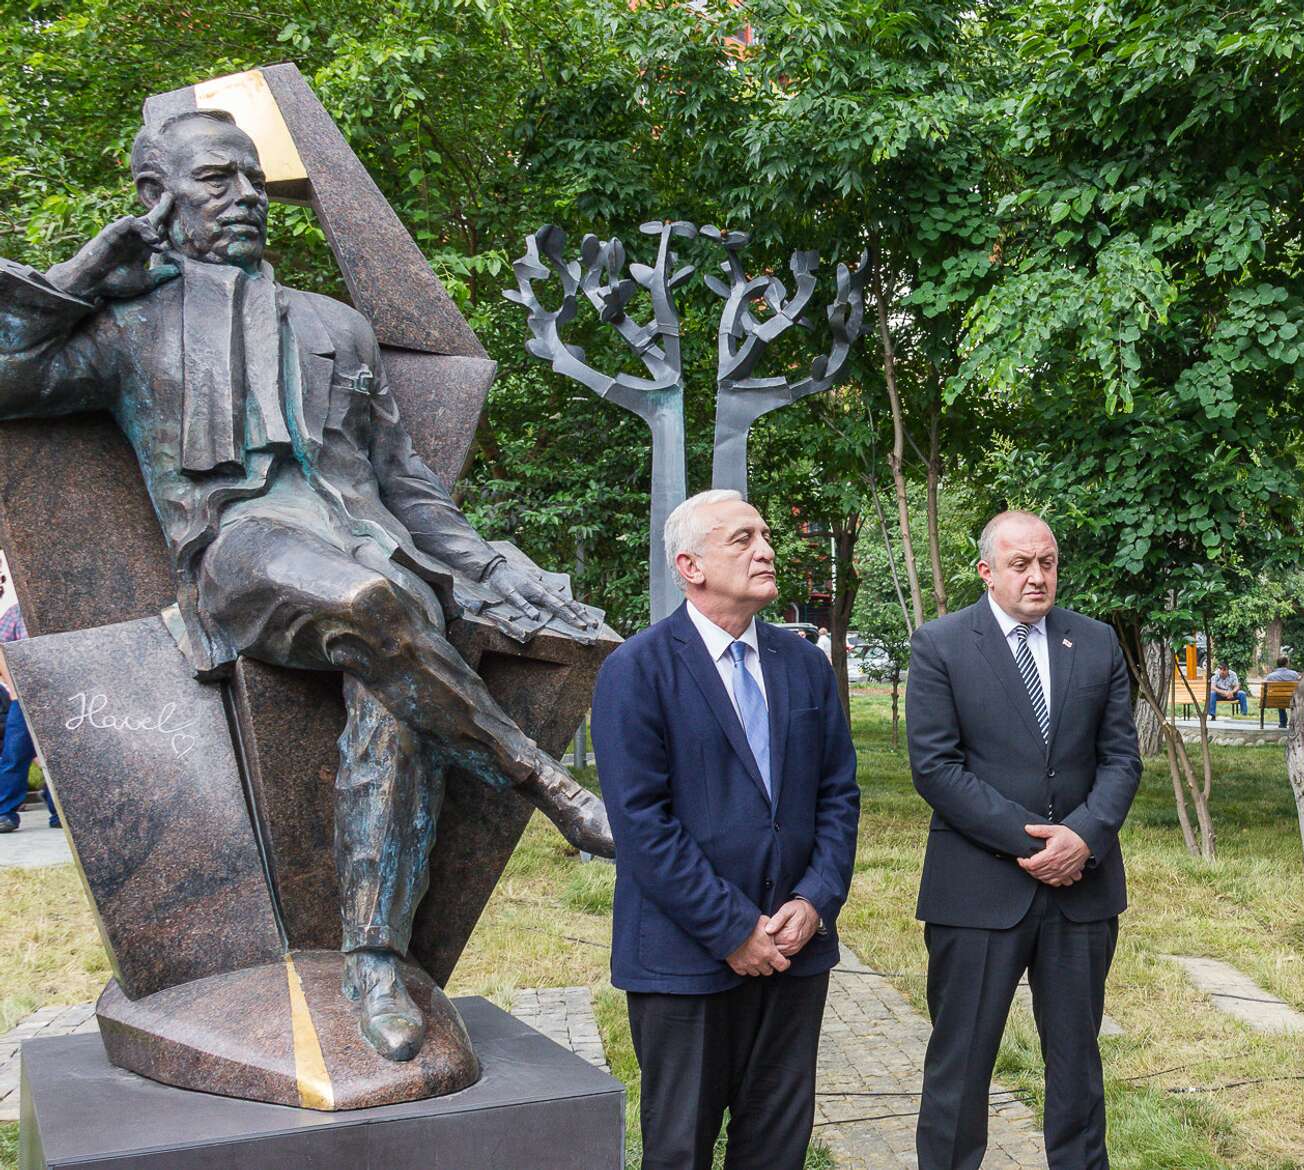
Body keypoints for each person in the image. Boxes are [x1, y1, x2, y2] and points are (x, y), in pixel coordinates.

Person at [0, 109, 611, 1058]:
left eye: (254, 179)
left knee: (392, 676)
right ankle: (543, 780)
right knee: (379, 609)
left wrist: (492, 565)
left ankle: (371, 960)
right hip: (239, 555)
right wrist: (85, 274)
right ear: (153, 199)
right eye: (216, 180)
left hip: (367, 547)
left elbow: (405, 483)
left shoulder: (334, 326)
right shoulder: (130, 329)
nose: (247, 197)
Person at [592, 489, 860, 1170]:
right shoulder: (637, 670)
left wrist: (815, 900)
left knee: (776, 1150)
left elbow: (837, 794)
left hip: (795, 954)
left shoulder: (804, 664)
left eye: (765, 535)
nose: (767, 549)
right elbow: (642, 825)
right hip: (686, 961)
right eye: (742, 539)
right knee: (679, 1149)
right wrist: (733, 929)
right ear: (691, 564)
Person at [907, 510, 1141, 1170]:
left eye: (1048, 562)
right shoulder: (941, 644)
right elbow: (934, 766)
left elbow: (1122, 758)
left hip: (1082, 893)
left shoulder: (1094, 643)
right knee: (960, 1067)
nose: (1037, 576)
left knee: (1077, 1069)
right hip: (978, 893)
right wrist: (1038, 844)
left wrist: (1084, 838)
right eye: (1020, 564)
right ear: (986, 571)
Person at [0, 594, 47, 833]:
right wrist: (13, 688)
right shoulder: (16, 613)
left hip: (60, 695)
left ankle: (61, 814)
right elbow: (1, 650)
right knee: (15, 754)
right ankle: (4, 813)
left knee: (59, 756)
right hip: (24, 697)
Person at [1263, 656, 1301, 728]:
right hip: (1292, 699)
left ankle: (1283, 722)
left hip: (1278, 699)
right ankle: (1293, 722)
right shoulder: (1294, 674)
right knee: (1292, 699)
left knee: (1280, 698)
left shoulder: (1271, 676)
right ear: (1286, 664)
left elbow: (1264, 683)